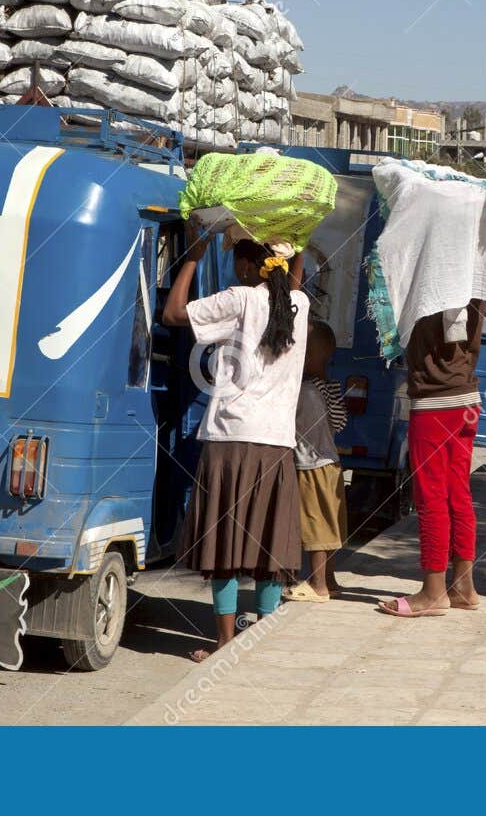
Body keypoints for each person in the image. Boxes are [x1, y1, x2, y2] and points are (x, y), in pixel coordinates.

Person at [161, 231, 308, 662]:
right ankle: (260, 644)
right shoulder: (300, 306)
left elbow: (173, 313)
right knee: (270, 546)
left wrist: (193, 256)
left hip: (229, 440)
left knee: (224, 541)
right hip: (276, 443)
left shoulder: (238, 299)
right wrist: (295, 242)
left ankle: (226, 643)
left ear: (245, 266)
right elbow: (292, 283)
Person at [379, 298, 486, 618]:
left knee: (431, 498)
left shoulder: (435, 285)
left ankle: (433, 590)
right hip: (466, 397)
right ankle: (464, 587)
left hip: (434, 402)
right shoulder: (475, 284)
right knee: (458, 494)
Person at [285, 323, 349, 604]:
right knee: (330, 524)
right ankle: (330, 581)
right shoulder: (328, 387)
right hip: (331, 462)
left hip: (310, 465)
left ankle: (318, 585)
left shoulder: (304, 391)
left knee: (316, 527)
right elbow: (340, 422)